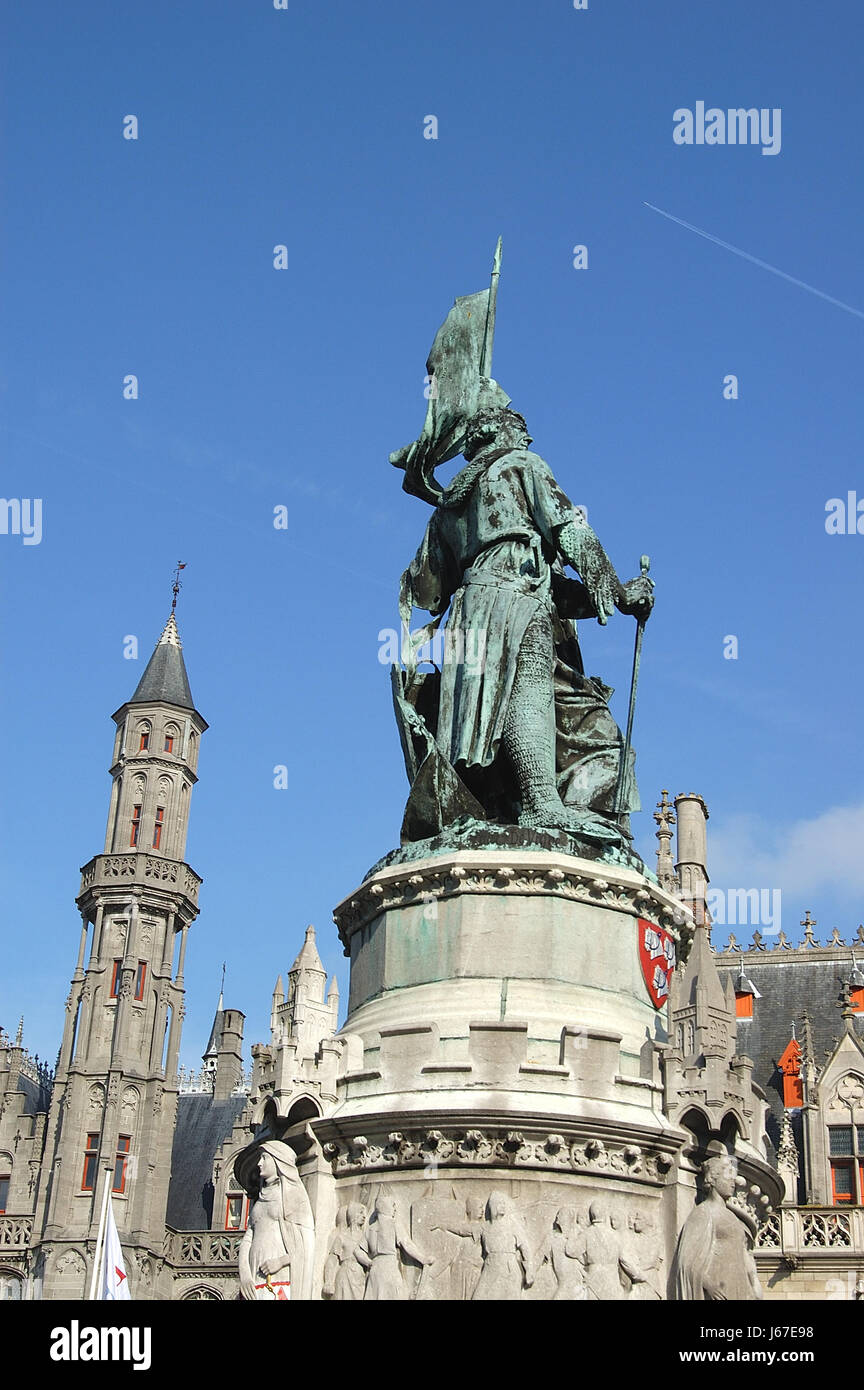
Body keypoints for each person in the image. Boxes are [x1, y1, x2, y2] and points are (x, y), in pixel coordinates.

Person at [400, 406, 653, 847]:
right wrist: (616, 588)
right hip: (513, 604)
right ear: (499, 433)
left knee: (595, 731)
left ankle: (541, 808)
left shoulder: (449, 506)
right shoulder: (520, 465)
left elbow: (426, 588)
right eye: (522, 431)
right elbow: (571, 532)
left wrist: (614, 595)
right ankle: (541, 801)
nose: (529, 441)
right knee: (527, 689)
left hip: (467, 619)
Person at [670, 1155, 763, 1301]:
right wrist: (708, 1284)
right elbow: (686, 1261)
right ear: (713, 1179)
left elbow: (744, 1256)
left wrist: (752, 1286)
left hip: (738, 1285)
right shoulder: (703, 1212)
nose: (733, 1183)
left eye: (733, 1179)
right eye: (728, 1178)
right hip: (718, 1287)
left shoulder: (732, 1217)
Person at [236, 1140, 315, 1301]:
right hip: (254, 1278)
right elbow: (248, 1239)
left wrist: (281, 1261)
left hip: (280, 1278)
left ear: (278, 1161)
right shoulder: (260, 1200)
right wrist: (244, 1274)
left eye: (264, 1158)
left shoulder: (293, 1195)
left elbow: (306, 1244)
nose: (259, 1163)